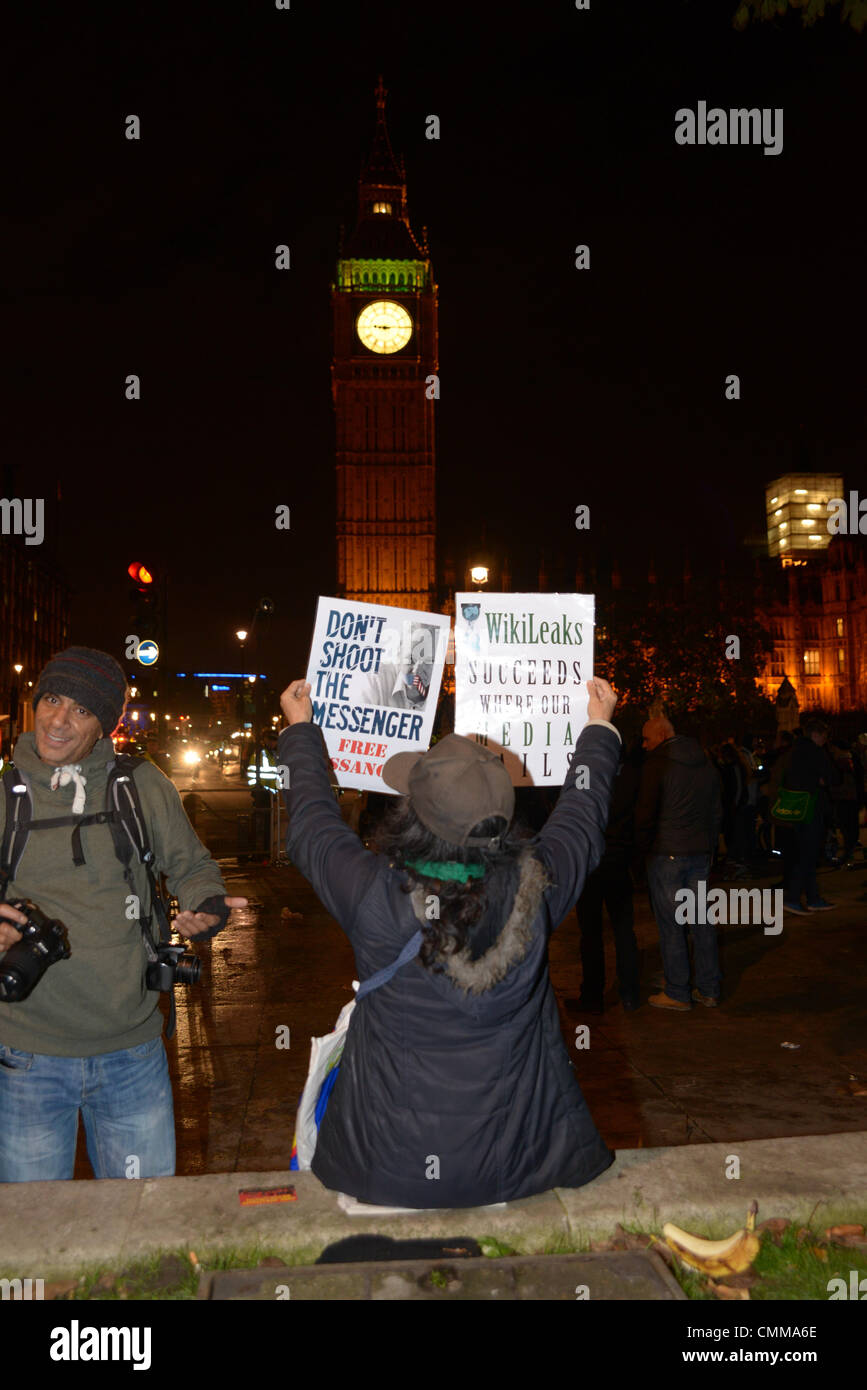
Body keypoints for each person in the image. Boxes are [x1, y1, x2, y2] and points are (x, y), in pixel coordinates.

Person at [278, 674, 622, 1208]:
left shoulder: (372, 892)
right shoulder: (541, 884)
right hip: (517, 1166)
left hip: (386, 1167)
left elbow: (311, 825)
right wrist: (597, 728)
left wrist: (301, 732)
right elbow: (582, 816)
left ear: (412, 815)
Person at [0, 646, 246, 1182]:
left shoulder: (139, 784)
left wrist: (207, 906)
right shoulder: (5, 795)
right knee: (37, 1239)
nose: (58, 720)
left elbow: (193, 865)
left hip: (131, 1054)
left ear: (104, 726)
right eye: (52, 699)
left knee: (143, 1228)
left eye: (81, 710)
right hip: (25, 1057)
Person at [634, 714, 723, 1011]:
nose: (644, 745)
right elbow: (716, 809)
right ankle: (709, 989)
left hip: (667, 854)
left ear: (660, 734)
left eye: (646, 739)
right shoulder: (705, 762)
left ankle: (677, 991)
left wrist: (641, 851)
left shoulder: (658, 765)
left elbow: (645, 814)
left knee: (671, 925)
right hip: (699, 852)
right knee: (701, 922)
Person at [572, 719, 642, 1014]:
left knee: (591, 933)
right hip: (618, 859)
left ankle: (592, 996)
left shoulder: (589, 775)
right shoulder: (631, 776)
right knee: (623, 929)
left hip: (593, 860)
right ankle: (629, 993)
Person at [780, 717, 842, 915]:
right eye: (824, 735)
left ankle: (812, 898)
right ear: (816, 734)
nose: (825, 739)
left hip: (798, 809)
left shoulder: (795, 752)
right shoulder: (816, 752)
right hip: (812, 808)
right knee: (808, 855)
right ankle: (794, 898)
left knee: (806, 853)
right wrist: (822, 780)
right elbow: (833, 777)